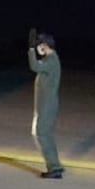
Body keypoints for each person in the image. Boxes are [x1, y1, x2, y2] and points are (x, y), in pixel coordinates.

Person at [28, 30, 64, 178]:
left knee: (42, 133)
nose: (39, 48)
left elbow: (35, 66)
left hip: (47, 106)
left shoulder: (51, 60)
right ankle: (54, 165)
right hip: (44, 105)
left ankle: (54, 167)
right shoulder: (50, 59)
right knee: (42, 133)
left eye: (40, 45)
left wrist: (31, 50)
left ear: (45, 45)